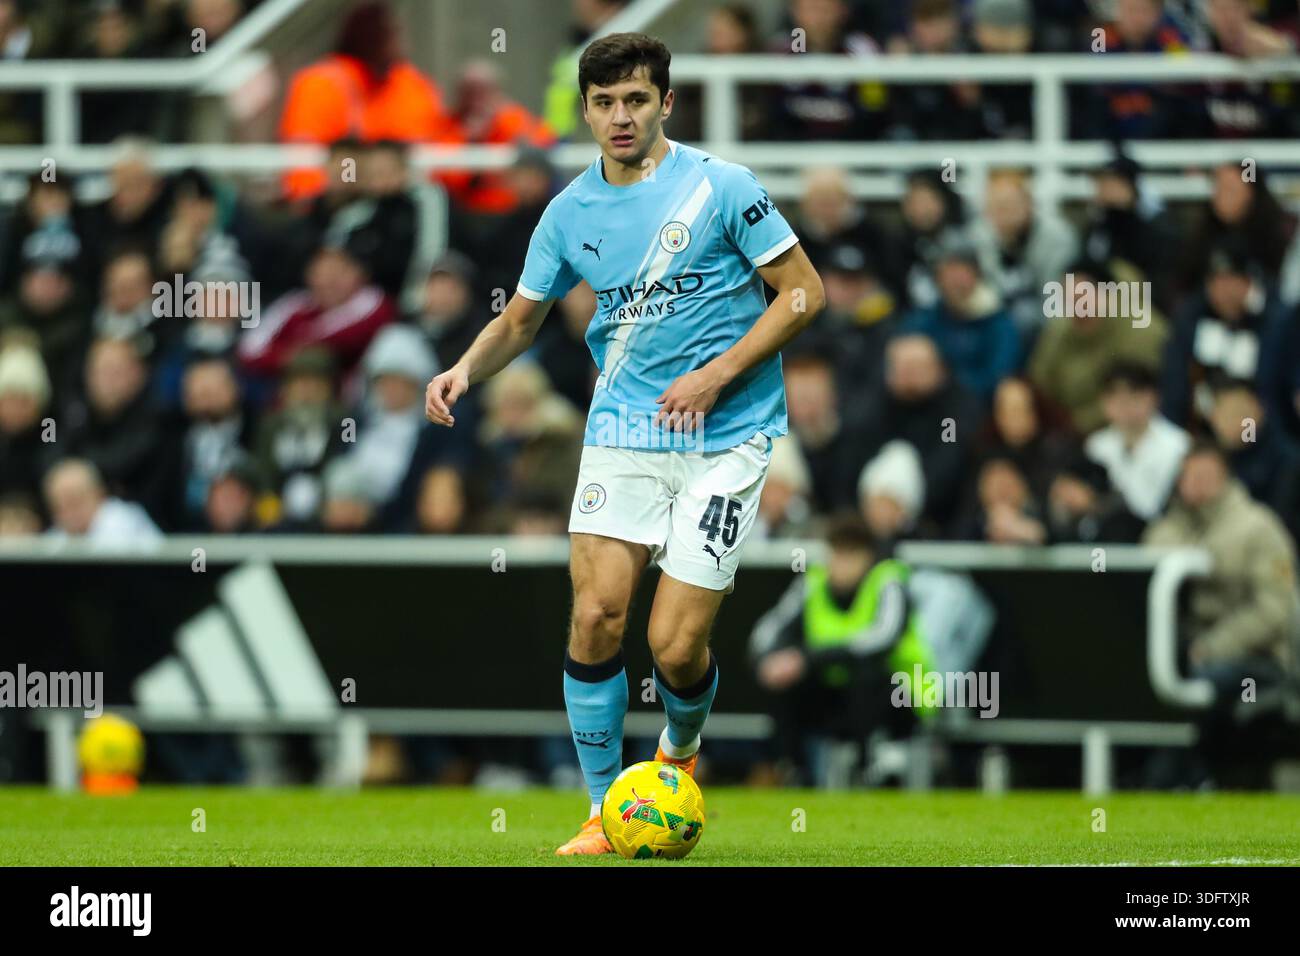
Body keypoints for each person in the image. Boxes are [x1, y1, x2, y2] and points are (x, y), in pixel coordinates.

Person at [423, 33, 824, 854]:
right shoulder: (569, 212)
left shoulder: (722, 186)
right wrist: (464, 368)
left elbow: (802, 294)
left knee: (675, 647)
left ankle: (678, 753)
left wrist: (715, 374)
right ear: (585, 110)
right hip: (624, 430)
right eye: (604, 103)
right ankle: (608, 811)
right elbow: (521, 321)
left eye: (636, 100)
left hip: (730, 434)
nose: (620, 117)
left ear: (666, 104)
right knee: (598, 614)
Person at [748, 511, 937, 786]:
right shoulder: (813, 581)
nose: (841, 564)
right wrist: (769, 660)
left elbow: (881, 640)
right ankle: (792, 773)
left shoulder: (888, 579)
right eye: (836, 554)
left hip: (901, 692)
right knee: (785, 682)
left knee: (868, 680)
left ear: (868, 556)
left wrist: (808, 659)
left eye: (851, 555)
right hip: (838, 688)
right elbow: (768, 631)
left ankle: (874, 771)